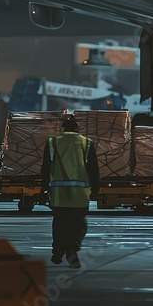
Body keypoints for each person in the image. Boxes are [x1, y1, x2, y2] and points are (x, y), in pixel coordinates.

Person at [42, 113, 99, 269]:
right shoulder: (86, 143)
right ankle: (72, 252)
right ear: (77, 127)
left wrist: (43, 190)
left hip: (59, 194)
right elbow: (93, 169)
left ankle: (58, 251)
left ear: (62, 127)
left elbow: (46, 169)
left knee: (60, 223)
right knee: (77, 225)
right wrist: (96, 190)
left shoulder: (53, 143)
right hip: (80, 195)